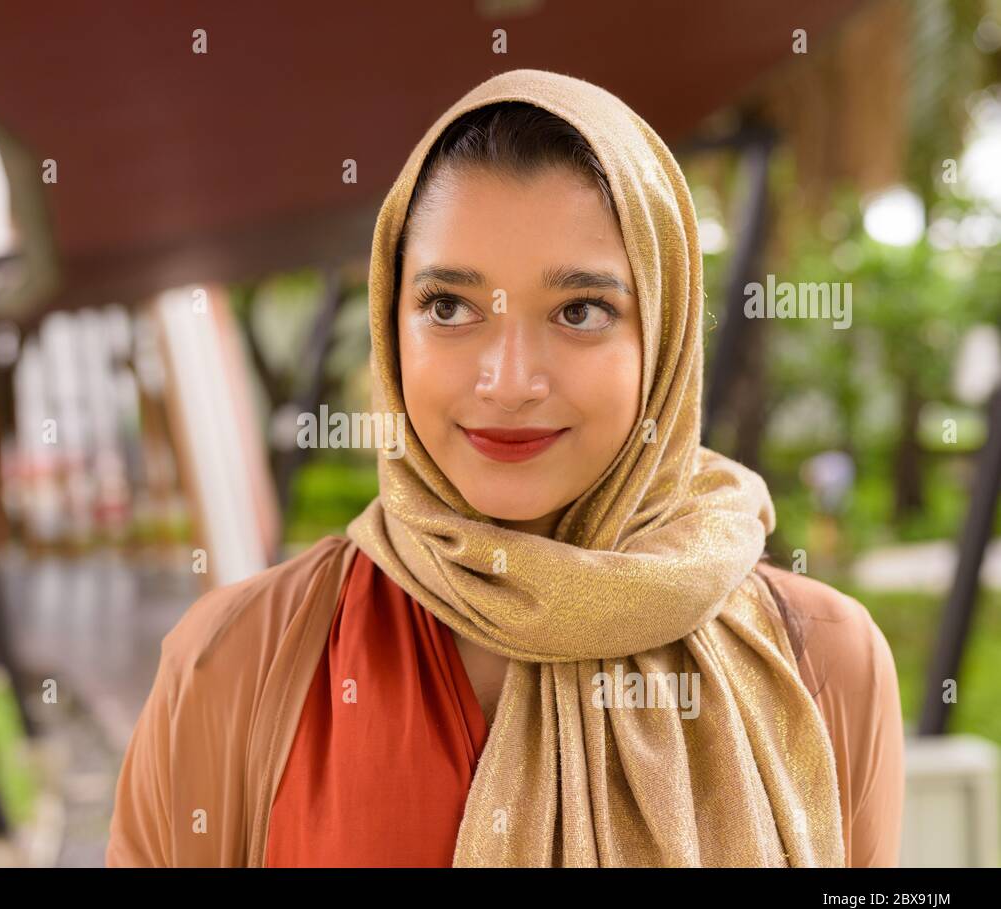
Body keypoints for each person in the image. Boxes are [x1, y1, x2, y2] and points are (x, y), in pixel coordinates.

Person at [106, 69, 904, 868]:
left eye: (580, 311)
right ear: (392, 326)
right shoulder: (235, 665)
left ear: (662, 339)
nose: (510, 380)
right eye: (449, 306)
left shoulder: (824, 663)